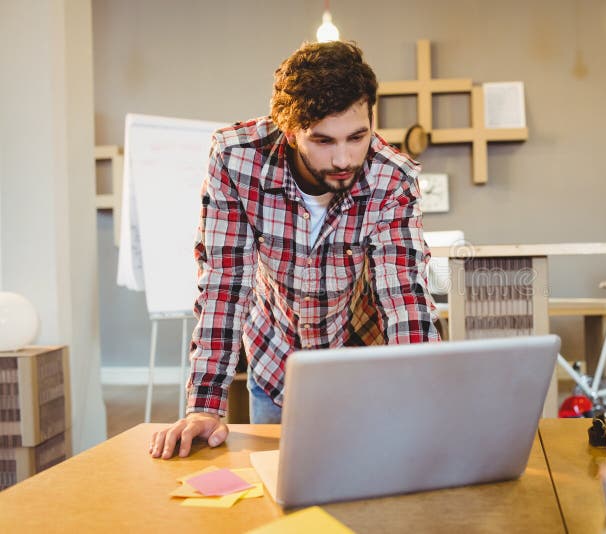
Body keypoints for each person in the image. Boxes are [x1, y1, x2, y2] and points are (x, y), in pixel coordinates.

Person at [149, 41, 441, 459]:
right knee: (279, 500)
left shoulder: (392, 179)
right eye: (323, 141)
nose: (344, 158)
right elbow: (225, 285)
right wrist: (205, 405)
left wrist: (423, 399)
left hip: (358, 355)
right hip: (275, 358)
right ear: (290, 131)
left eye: (357, 137)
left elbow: (404, 294)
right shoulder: (236, 160)